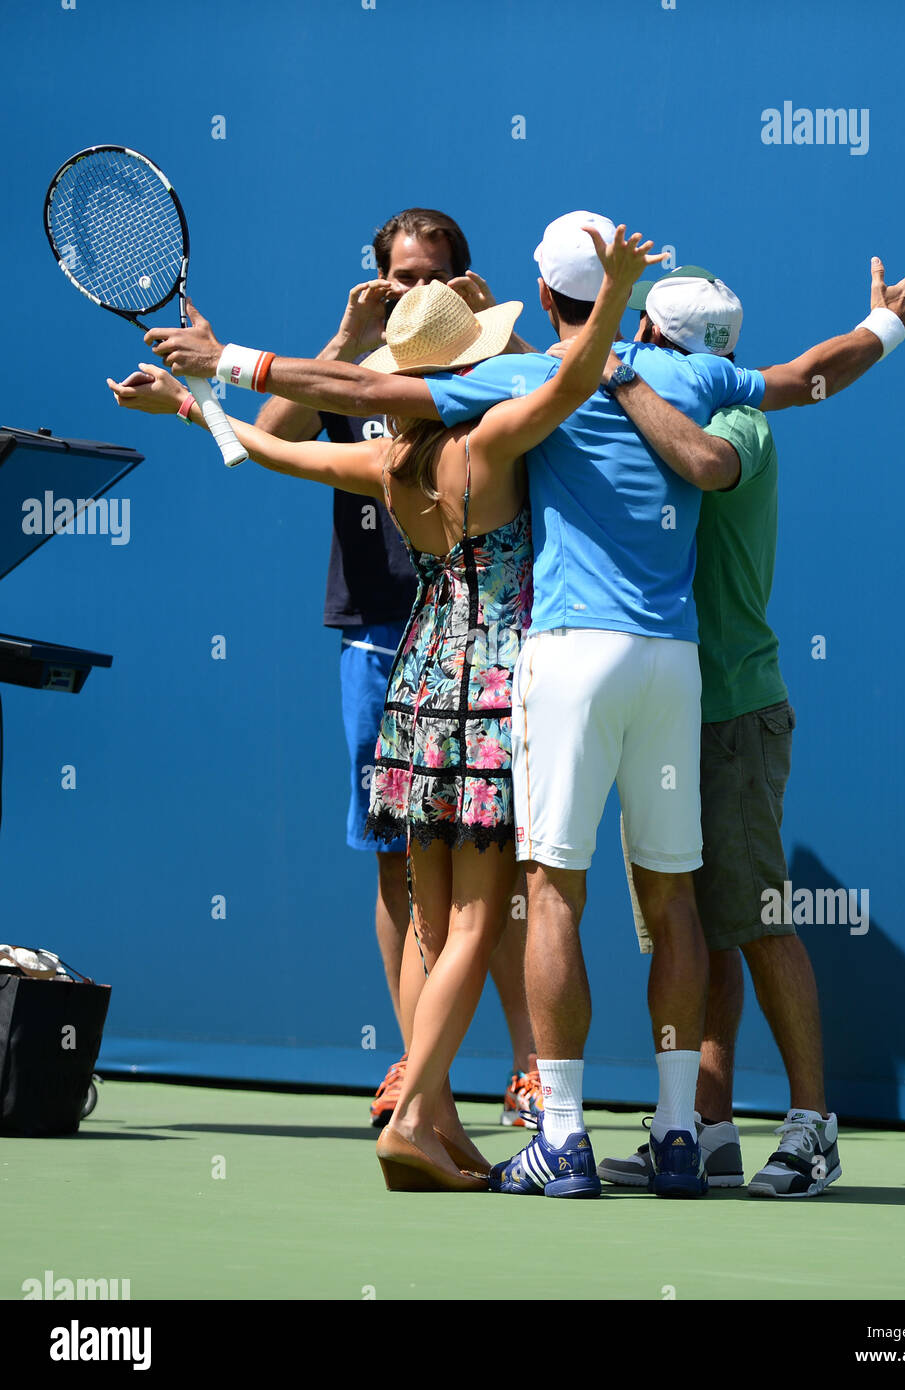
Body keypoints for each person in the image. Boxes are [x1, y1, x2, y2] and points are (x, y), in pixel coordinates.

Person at [141, 212, 905, 1199]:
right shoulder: (683, 378)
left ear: (543, 298)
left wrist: (229, 368)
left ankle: (550, 1130)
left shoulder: (509, 394)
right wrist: (886, 327)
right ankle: (679, 1128)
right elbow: (811, 372)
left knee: (539, 897)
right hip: (670, 665)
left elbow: (353, 393)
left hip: (541, 667)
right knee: (673, 898)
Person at [108, 221, 664, 1192]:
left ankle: (437, 1121)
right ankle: (413, 1114)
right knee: (479, 920)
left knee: (424, 917)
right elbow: (576, 381)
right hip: (492, 686)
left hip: (411, 680)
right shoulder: (493, 435)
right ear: (477, 362)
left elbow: (258, 452)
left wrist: (195, 404)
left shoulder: (380, 464)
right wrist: (613, 294)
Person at [253, 206, 541, 1130]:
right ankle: (422, 1072)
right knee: (400, 869)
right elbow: (276, 428)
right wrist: (350, 336)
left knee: (496, 862)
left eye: (433, 277)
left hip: (487, 656)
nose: (414, 290)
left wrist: (493, 327)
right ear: (378, 277)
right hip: (381, 645)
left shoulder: (494, 376)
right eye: (401, 277)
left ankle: (531, 1064)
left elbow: (558, 392)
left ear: (461, 279)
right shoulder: (351, 371)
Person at [594, 268, 846, 1195]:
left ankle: (814, 1125)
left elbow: (701, 464)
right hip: (665, 709)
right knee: (691, 928)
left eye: (641, 341)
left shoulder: (737, 421)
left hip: (733, 708)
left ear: (662, 345)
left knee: (759, 917)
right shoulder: (655, 396)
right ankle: (705, 1126)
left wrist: (617, 382)